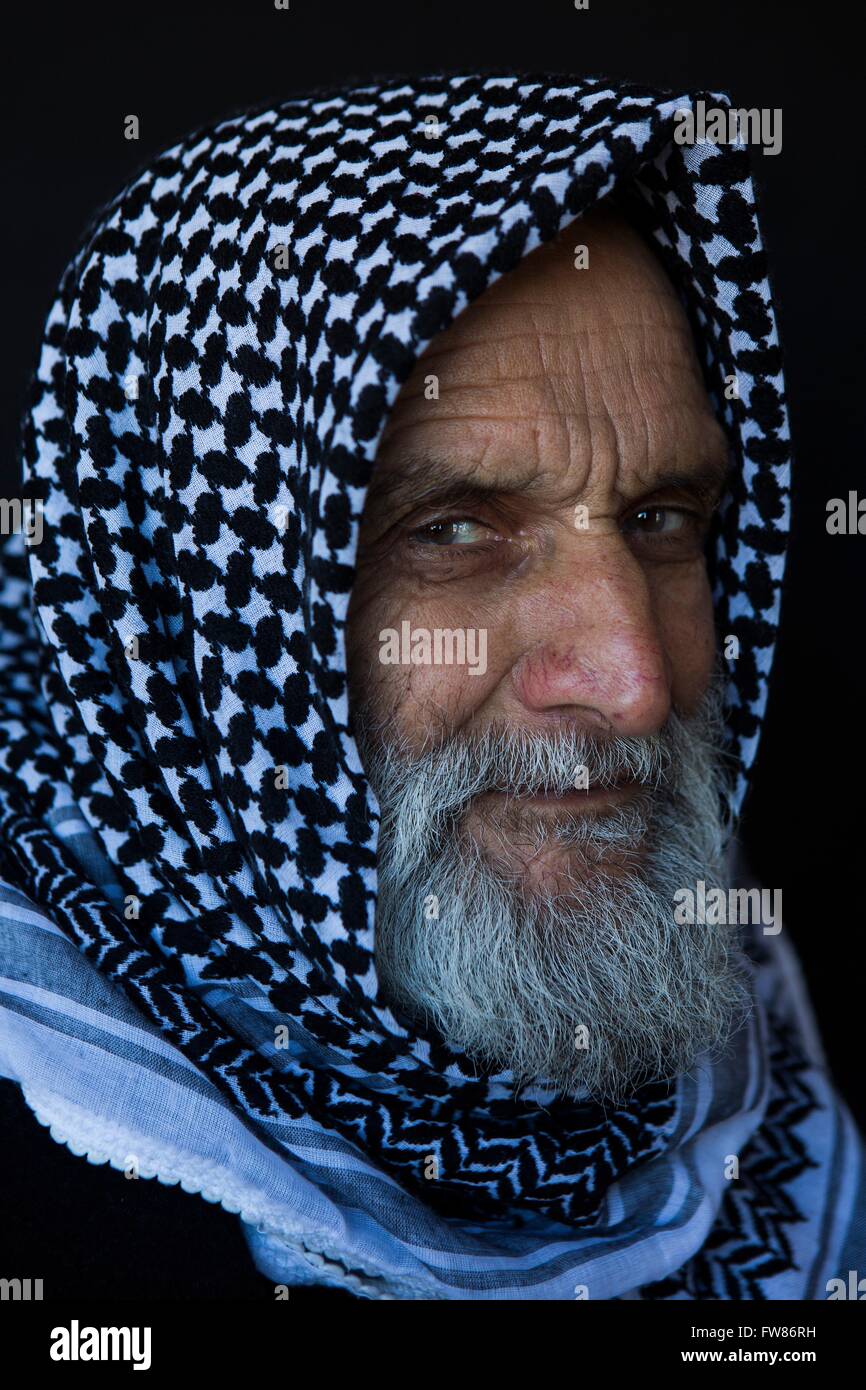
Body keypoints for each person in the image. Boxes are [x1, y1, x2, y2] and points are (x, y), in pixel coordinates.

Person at [0, 71, 862, 1301]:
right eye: (453, 533)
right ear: (186, 600)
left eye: (662, 517)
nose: (631, 681)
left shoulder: (734, 1013)